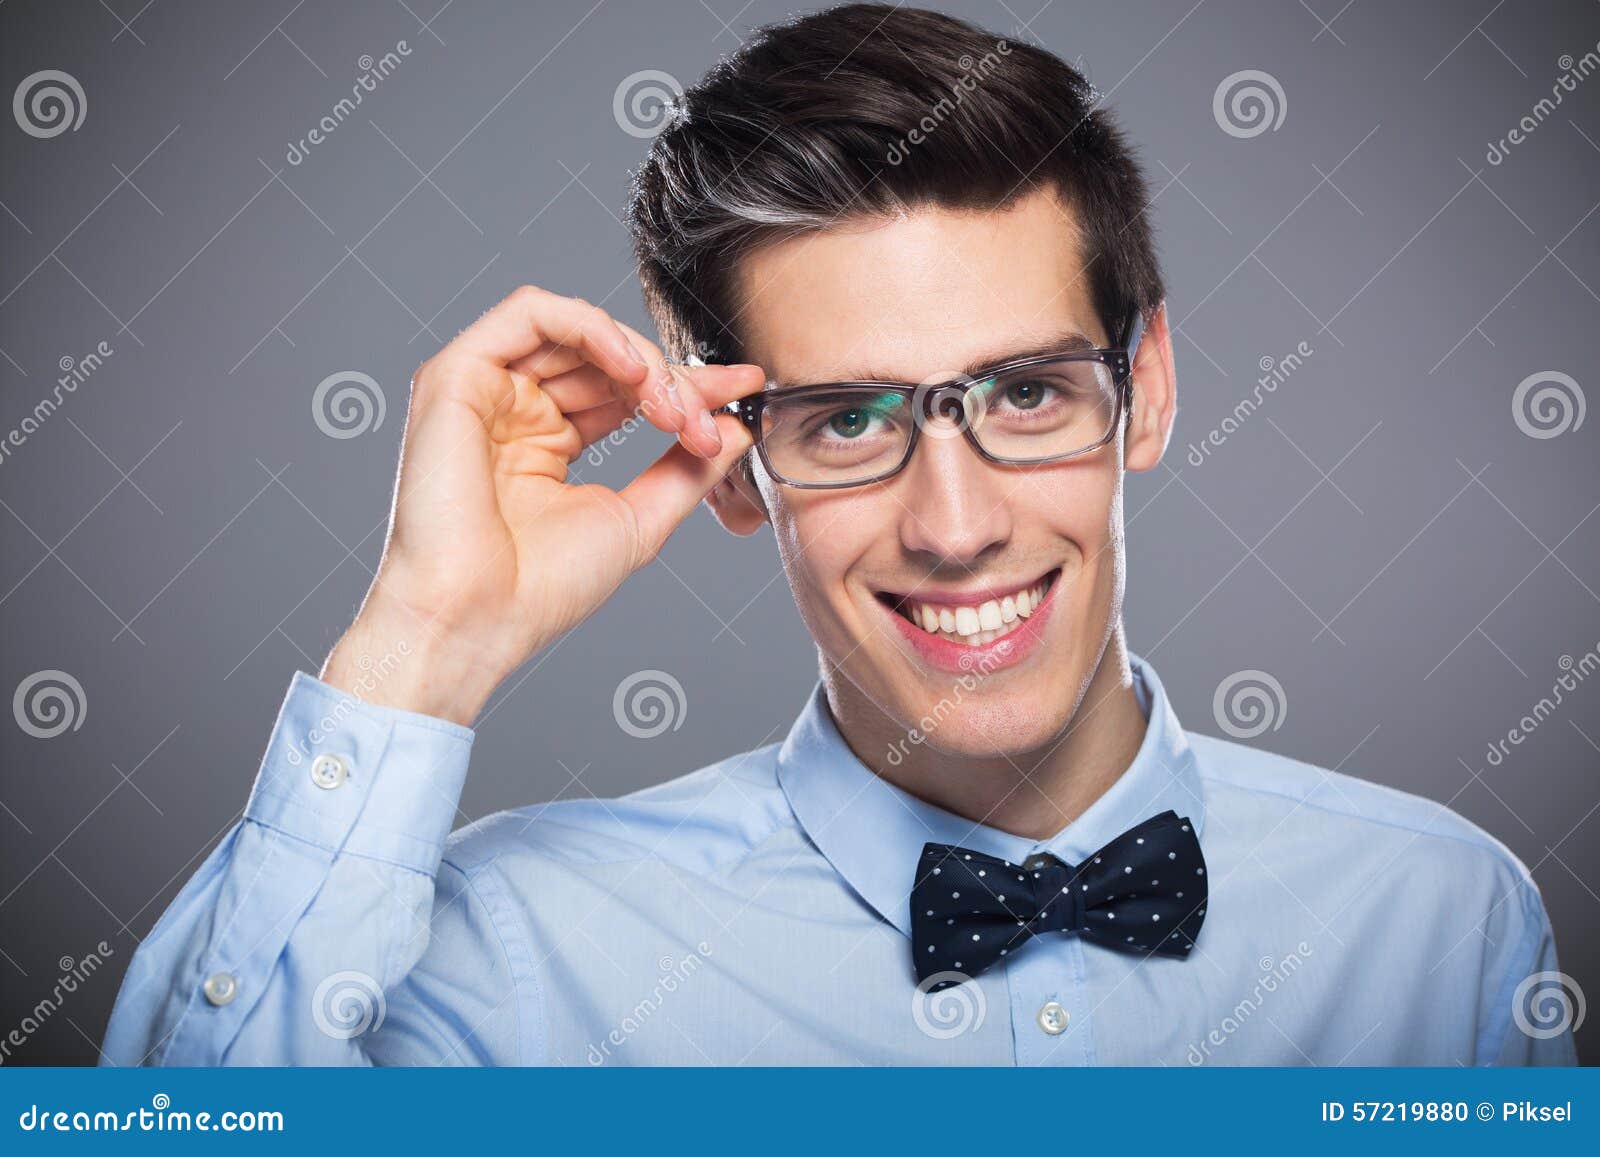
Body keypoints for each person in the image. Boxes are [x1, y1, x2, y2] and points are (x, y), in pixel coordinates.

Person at [101, 3, 1574, 1066]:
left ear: (1149, 388)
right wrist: (421, 644)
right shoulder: (511, 960)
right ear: (733, 466)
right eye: (849, 421)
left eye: (1026, 392)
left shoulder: (1441, 924)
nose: (958, 523)